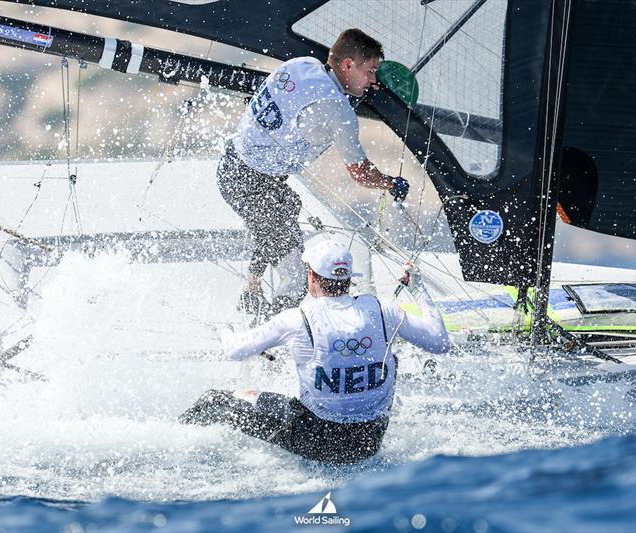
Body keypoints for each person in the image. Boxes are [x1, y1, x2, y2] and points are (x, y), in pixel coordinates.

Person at [178, 240, 450, 464]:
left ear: (312, 277)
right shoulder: (383, 309)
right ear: (348, 278)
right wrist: (417, 287)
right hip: (369, 442)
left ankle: (176, 442)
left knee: (213, 400)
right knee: (387, 360)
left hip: (316, 441)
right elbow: (440, 342)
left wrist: (223, 331)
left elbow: (233, 350)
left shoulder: (295, 319)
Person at [217, 28, 410, 317]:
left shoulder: (300, 65)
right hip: (253, 184)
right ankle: (271, 338)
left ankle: (251, 288)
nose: (373, 81)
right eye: (370, 72)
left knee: (285, 208)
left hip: (233, 165)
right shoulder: (338, 111)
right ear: (348, 65)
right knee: (297, 279)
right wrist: (390, 182)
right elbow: (360, 173)